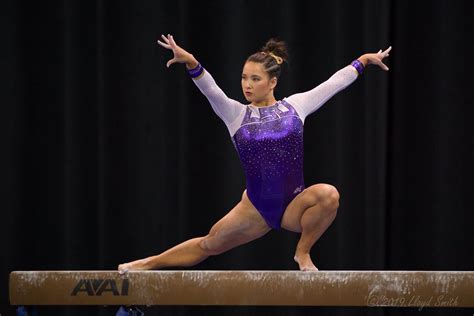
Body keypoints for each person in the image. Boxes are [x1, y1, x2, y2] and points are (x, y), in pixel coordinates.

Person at [118, 34, 391, 272]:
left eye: (255, 78)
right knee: (208, 245)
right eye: (244, 77)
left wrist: (363, 60)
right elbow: (211, 91)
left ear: (272, 82)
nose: (246, 84)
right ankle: (147, 264)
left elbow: (333, 84)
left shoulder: (295, 107)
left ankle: (303, 251)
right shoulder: (236, 114)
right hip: (255, 208)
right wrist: (191, 62)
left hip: (294, 205)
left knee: (329, 195)